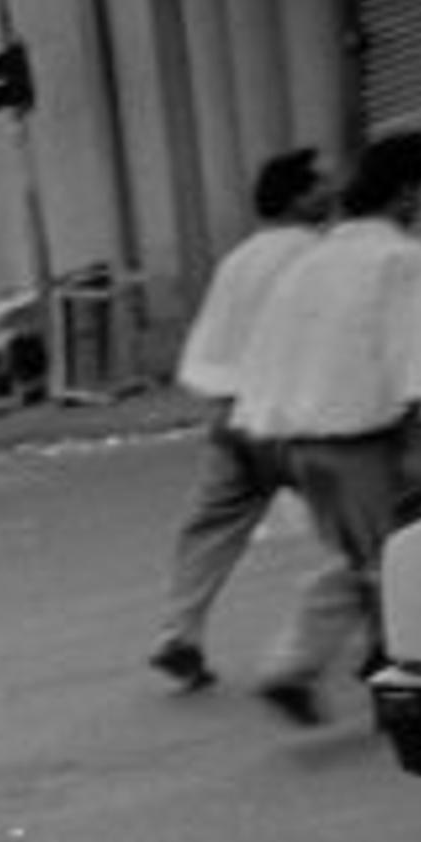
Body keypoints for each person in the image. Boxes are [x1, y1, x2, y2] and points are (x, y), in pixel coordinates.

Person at [222, 130, 421, 727]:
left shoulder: (314, 258)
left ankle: (378, 672)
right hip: (362, 442)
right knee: (392, 561)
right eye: (420, 190)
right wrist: (416, 446)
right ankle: (306, 667)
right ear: (402, 195)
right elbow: (411, 361)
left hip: (294, 442)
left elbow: (269, 351)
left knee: (362, 558)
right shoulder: (406, 258)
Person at [147, 149, 335, 694]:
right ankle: (344, 645)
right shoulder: (320, 255)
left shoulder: (238, 261)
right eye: (319, 185)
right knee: (366, 527)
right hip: (303, 420)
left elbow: (207, 346)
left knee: (207, 529)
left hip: (234, 419)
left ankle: (179, 631)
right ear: (297, 197)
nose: (330, 191)